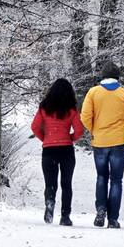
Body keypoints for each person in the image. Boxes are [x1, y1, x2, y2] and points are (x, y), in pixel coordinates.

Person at [80, 60, 124, 228]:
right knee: (116, 180)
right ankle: (113, 219)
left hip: (99, 142)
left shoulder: (93, 93)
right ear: (118, 77)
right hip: (119, 143)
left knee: (101, 177)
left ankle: (100, 210)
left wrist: (94, 131)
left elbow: (84, 117)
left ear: (102, 76)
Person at [31, 78, 85, 225]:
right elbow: (80, 130)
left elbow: (34, 127)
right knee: (66, 184)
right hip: (66, 150)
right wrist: (70, 138)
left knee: (50, 183)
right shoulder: (71, 110)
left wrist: (46, 139)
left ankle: (49, 203)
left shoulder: (44, 108)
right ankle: (65, 217)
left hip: (49, 150)